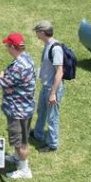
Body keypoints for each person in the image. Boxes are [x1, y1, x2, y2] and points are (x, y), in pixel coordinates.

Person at [0, 32, 36, 179]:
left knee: (20, 142)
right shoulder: (27, 58)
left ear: (13, 47)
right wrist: (8, 84)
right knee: (20, 138)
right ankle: (16, 157)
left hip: (17, 111)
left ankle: (24, 169)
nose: (6, 48)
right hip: (25, 108)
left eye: (7, 45)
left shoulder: (17, 67)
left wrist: (2, 75)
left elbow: (2, 82)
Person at [31, 20, 64, 152]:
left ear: (42, 32)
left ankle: (52, 144)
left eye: (37, 32)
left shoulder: (55, 49)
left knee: (52, 117)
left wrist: (53, 93)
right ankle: (38, 134)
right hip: (46, 87)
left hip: (52, 89)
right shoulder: (47, 45)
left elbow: (59, 72)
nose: (36, 34)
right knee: (41, 111)